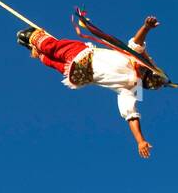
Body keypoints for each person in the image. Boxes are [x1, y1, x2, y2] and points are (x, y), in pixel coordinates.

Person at [17, 15, 165, 159]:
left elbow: (131, 115)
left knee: (54, 50)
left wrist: (140, 141)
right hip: (79, 72)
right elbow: (137, 44)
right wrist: (146, 27)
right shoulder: (133, 69)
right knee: (52, 59)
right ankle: (35, 47)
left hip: (81, 60)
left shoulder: (133, 85)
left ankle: (34, 38)